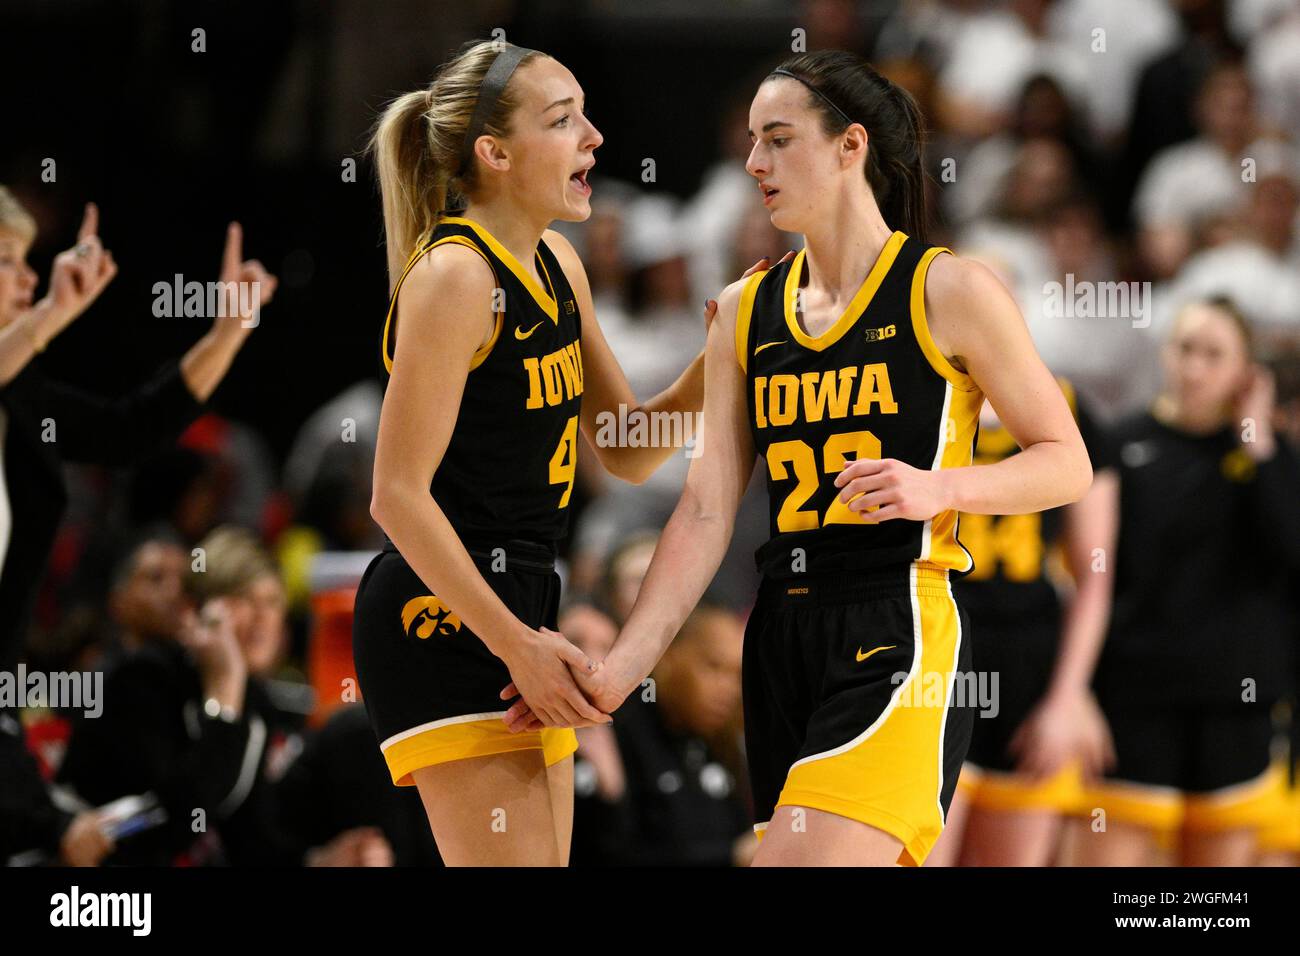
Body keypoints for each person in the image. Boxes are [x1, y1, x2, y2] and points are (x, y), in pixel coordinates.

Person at [509, 49, 1092, 867]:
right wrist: (619, 669)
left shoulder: (946, 290)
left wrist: (938, 486)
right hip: (779, 632)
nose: (753, 164)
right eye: (751, 142)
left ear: (850, 146)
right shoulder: (747, 307)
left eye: (778, 140)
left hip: (898, 624)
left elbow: (1067, 461)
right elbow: (706, 512)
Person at [354, 39, 772, 866]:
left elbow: (623, 447)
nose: (594, 138)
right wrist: (516, 643)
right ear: (495, 152)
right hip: (446, 610)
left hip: (524, 604)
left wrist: (721, 355)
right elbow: (396, 495)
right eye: (563, 120)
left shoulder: (557, 264)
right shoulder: (456, 277)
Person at [0, 188, 275, 865]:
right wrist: (52, 315)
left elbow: (132, 429)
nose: (32, 278)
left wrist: (226, 333)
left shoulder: (25, 397)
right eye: (10, 260)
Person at [1074, 297, 1300, 866]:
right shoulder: (1121, 443)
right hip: (1133, 696)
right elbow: (1092, 578)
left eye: (1214, 354)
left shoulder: (1272, 457)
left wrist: (1257, 442)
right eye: (1184, 348)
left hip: (1235, 703)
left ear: (1247, 372)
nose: (1194, 367)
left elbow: (1292, 554)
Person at [928, 377, 1118, 867]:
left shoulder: (1070, 407)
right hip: (936, 660)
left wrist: (1070, 695)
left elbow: (1094, 577)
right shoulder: (916, 387)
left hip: (1029, 673)